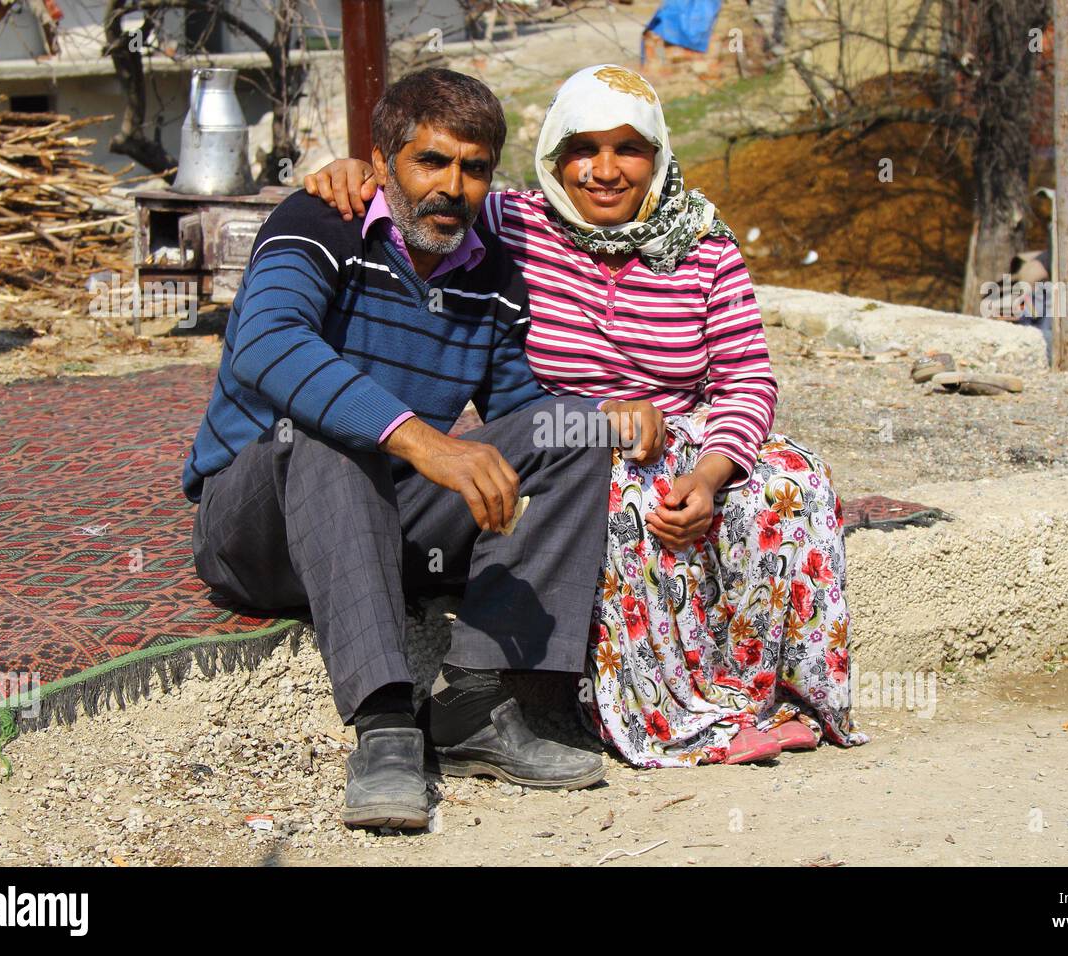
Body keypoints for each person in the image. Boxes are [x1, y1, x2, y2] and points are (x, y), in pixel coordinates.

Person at [307, 63, 868, 768]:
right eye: (583, 149)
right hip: (570, 437)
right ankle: (659, 718)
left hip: (688, 437)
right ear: (554, 157)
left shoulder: (702, 241)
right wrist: (355, 169)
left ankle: (763, 697)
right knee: (627, 499)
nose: (605, 171)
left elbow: (747, 377)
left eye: (628, 148)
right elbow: (424, 191)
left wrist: (714, 471)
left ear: (657, 155)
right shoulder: (511, 221)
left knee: (797, 483)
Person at [184, 69, 612, 831]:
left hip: (386, 519)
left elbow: (518, 415)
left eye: (474, 168)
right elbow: (267, 343)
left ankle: (472, 703)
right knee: (325, 425)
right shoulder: (318, 222)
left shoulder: (493, 272)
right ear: (380, 164)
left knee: (571, 430)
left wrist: (621, 428)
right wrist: (425, 443)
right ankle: (385, 730)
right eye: (431, 162)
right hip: (259, 528)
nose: (452, 186)